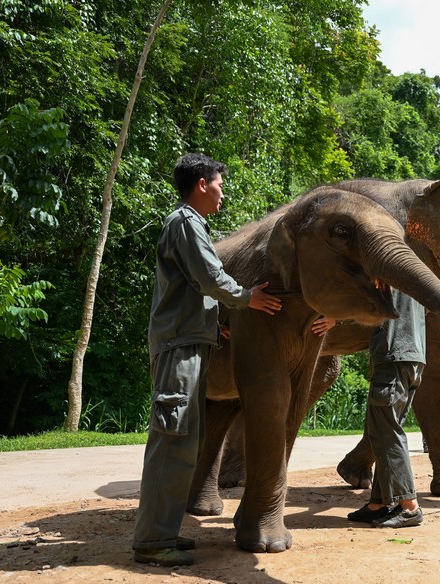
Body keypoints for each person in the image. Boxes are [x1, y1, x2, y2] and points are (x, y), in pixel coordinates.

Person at [133, 153, 282, 566]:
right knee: (172, 440)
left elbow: (190, 292)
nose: (222, 192)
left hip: (191, 342)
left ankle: (162, 532)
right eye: (219, 184)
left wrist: (215, 327)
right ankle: (151, 540)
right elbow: (210, 278)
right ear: (201, 184)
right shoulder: (185, 223)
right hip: (178, 349)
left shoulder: (192, 224)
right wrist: (248, 298)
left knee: (184, 443)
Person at [347, 289, 426, 528]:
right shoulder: (415, 276)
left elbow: (366, 302)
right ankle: (379, 503)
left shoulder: (387, 268)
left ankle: (410, 506)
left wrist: (336, 318)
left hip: (392, 356)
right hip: (413, 358)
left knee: (387, 431)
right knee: (383, 429)